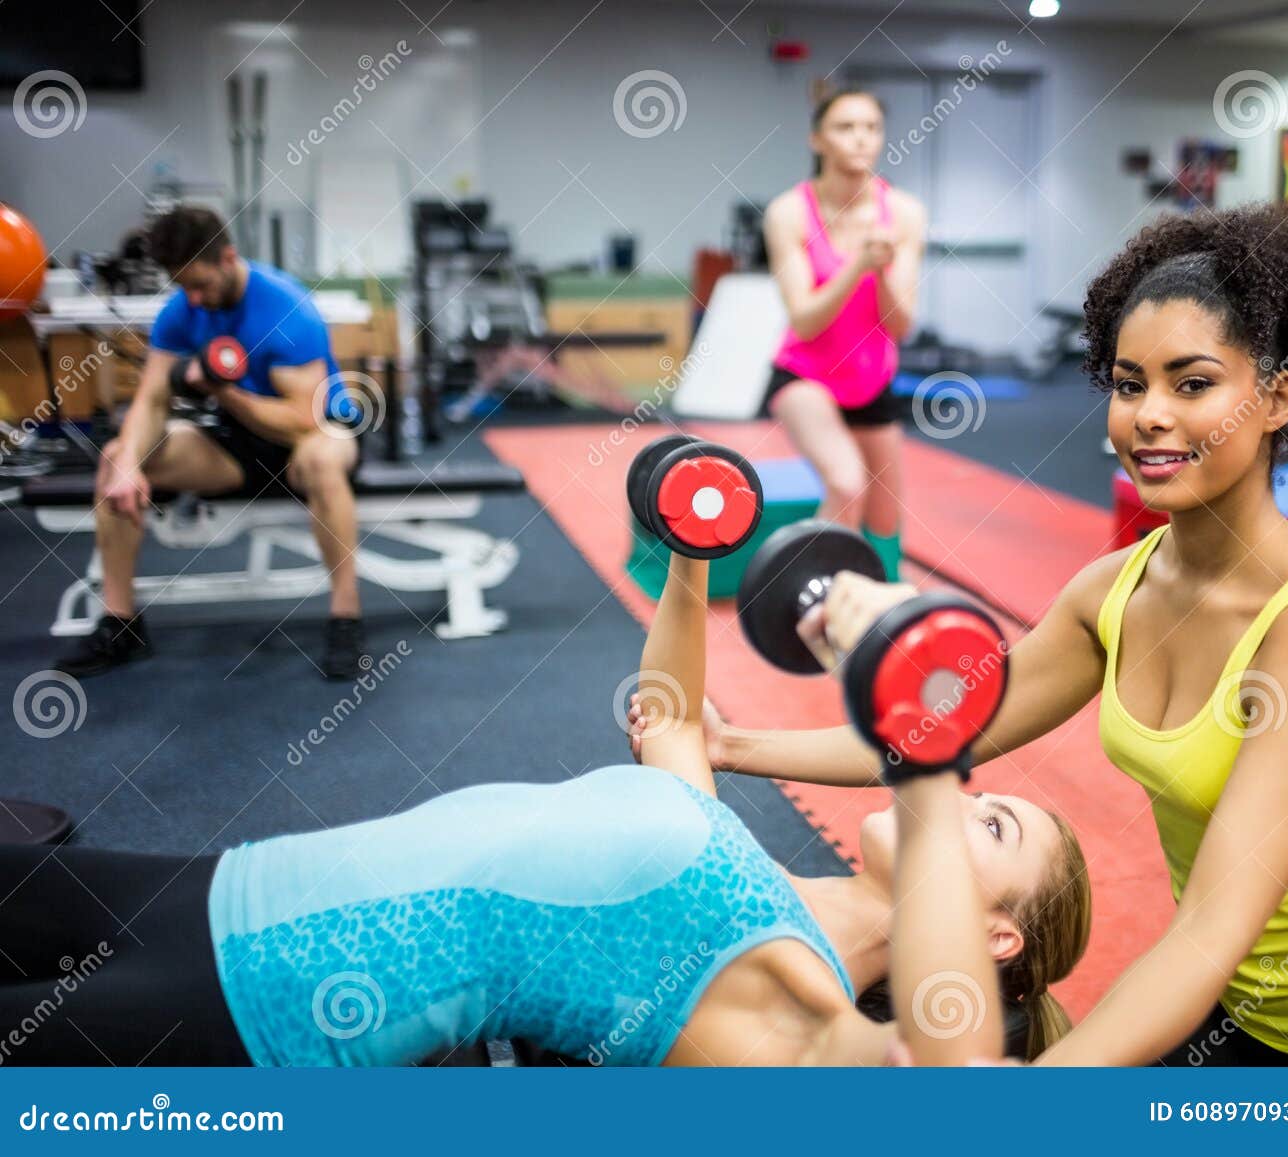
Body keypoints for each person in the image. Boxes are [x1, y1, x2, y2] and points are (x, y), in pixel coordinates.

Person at [683, 204, 1288, 1067]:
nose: (1149, 415)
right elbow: (936, 730)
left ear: (1276, 399)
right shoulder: (1114, 593)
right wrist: (730, 744)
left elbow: (1209, 930)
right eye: (1131, 384)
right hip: (1232, 1007)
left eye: (1192, 384)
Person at [0, 540, 1089, 1066]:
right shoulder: (747, 861)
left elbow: (941, 1089)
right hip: (238, 883)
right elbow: (671, 721)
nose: (968, 800)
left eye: (994, 823)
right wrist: (692, 551)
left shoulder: (795, 1005)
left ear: (996, 934)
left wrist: (926, 754)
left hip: (269, 1010)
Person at [54, 205, 368, 681]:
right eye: (184, 287)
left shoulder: (287, 308)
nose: (195, 299)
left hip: (313, 434)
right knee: (118, 454)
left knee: (323, 457)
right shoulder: (181, 312)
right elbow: (151, 399)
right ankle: (121, 625)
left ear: (228, 258)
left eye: (200, 285)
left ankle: (346, 616)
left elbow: (300, 421)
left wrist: (222, 390)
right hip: (236, 444)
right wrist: (130, 462)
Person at [762, 89, 926, 581]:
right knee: (847, 484)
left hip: (871, 382)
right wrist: (858, 264)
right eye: (845, 127)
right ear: (818, 139)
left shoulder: (904, 213)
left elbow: (901, 325)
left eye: (872, 128)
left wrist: (882, 270)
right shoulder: (789, 213)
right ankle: (808, 591)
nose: (861, 139)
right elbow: (805, 320)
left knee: (884, 523)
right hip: (804, 377)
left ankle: (879, 605)